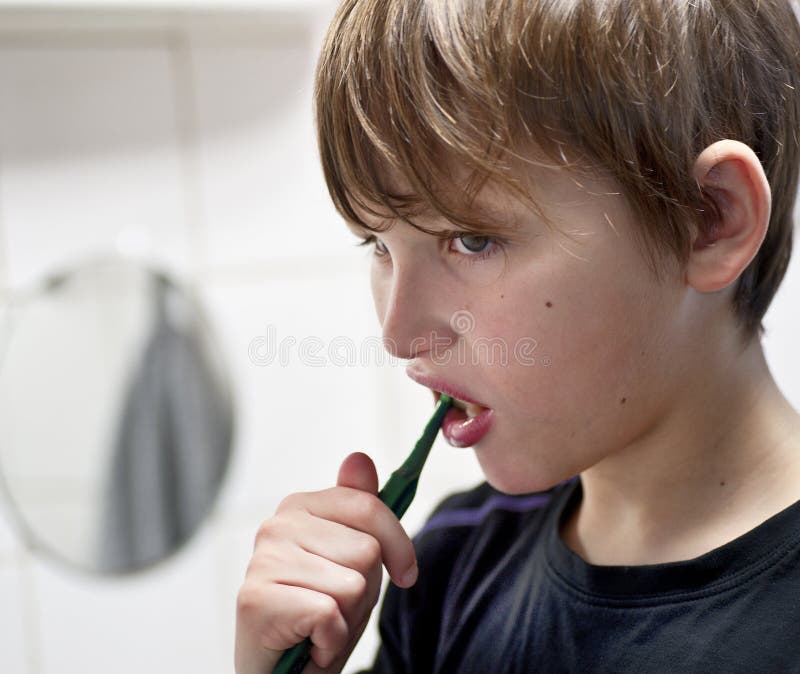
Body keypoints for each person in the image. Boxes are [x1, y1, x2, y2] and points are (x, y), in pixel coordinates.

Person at [235, 1, 800, 672]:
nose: (400, 335)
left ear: (708, 220)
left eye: (471, 240)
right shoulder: (447, 567)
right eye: (377, 244)